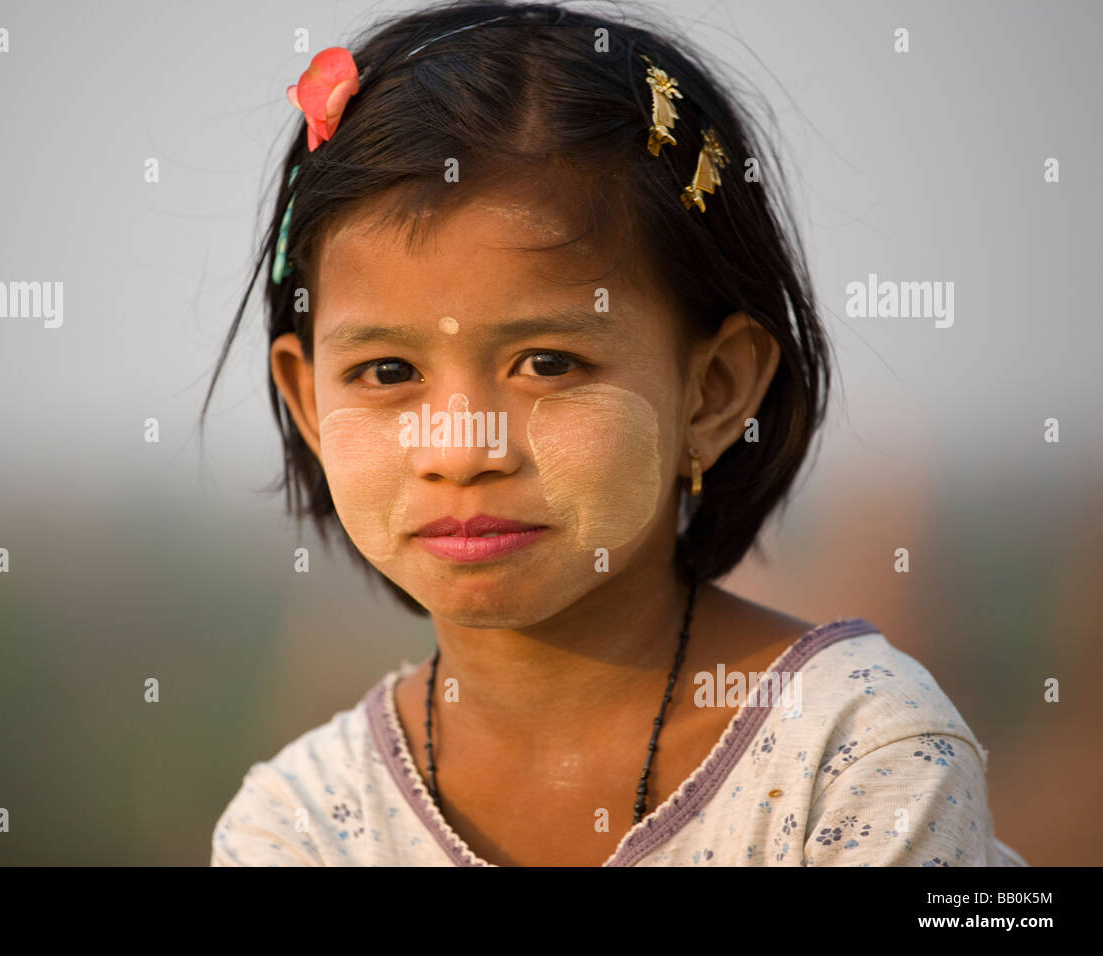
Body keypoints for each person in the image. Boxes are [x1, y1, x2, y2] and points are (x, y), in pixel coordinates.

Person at [204, 0, 1027, 867]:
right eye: (388, 374)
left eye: (549, 364)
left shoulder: (854, 755)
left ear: (712, 393)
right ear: (309, 405)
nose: (461, 449)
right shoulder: (300, 825)